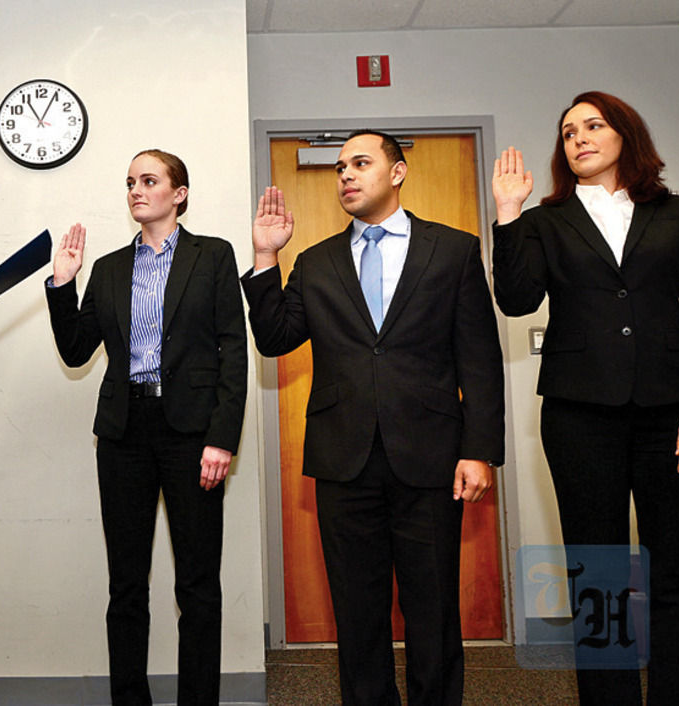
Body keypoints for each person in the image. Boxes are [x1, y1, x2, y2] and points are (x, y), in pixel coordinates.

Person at [244, 130, 505, 706]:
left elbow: (480, 359)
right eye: (339, 168)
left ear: (398, 172)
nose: (346, 176)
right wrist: (267, 257)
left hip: (433, 457)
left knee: (433, 606)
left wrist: (479, 449)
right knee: (357, 611)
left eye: (360, 163)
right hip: (344, 460)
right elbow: (274, 339)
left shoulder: (454, 250)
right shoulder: (315, 263)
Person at [492, 91, 679, 705]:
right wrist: (507, 215)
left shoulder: (677, 213)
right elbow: (517, 300)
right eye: (568, 131)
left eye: (592, 126)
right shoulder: (545, 220)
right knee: (598, 576)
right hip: (579, 418)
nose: (578, 138)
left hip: (673, 417)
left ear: (625, 134)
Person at [45, 149, 247, 705]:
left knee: (198, 585)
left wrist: (222, 438)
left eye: (150, 180)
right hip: (123, 433)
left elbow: (234, 351)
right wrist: (63, 284)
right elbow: (76, 348)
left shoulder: (213, 257)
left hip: (192, 433)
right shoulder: (110, 268)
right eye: (130, 181)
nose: (136, 189)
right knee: (126, 586)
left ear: (179, 193)